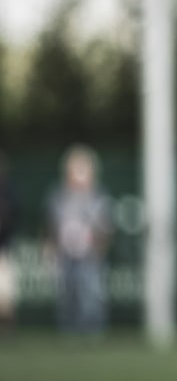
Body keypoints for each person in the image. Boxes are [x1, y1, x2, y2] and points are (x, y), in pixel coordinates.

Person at [46, 144, 113, 336]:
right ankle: (69, 332)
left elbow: (104, 226)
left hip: (89, 255)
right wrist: (51, 249)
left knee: (90, 295)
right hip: (65, 253)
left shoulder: (98, 196)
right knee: (67, 295)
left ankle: (92, 332)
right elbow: (52, 226)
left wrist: (99, 247)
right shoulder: (59, 196)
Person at [0, 150, 19, 333]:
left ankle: (7, 328)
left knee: (5, 294)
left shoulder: (6, 190)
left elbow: (12, 215)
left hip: (2, 247)